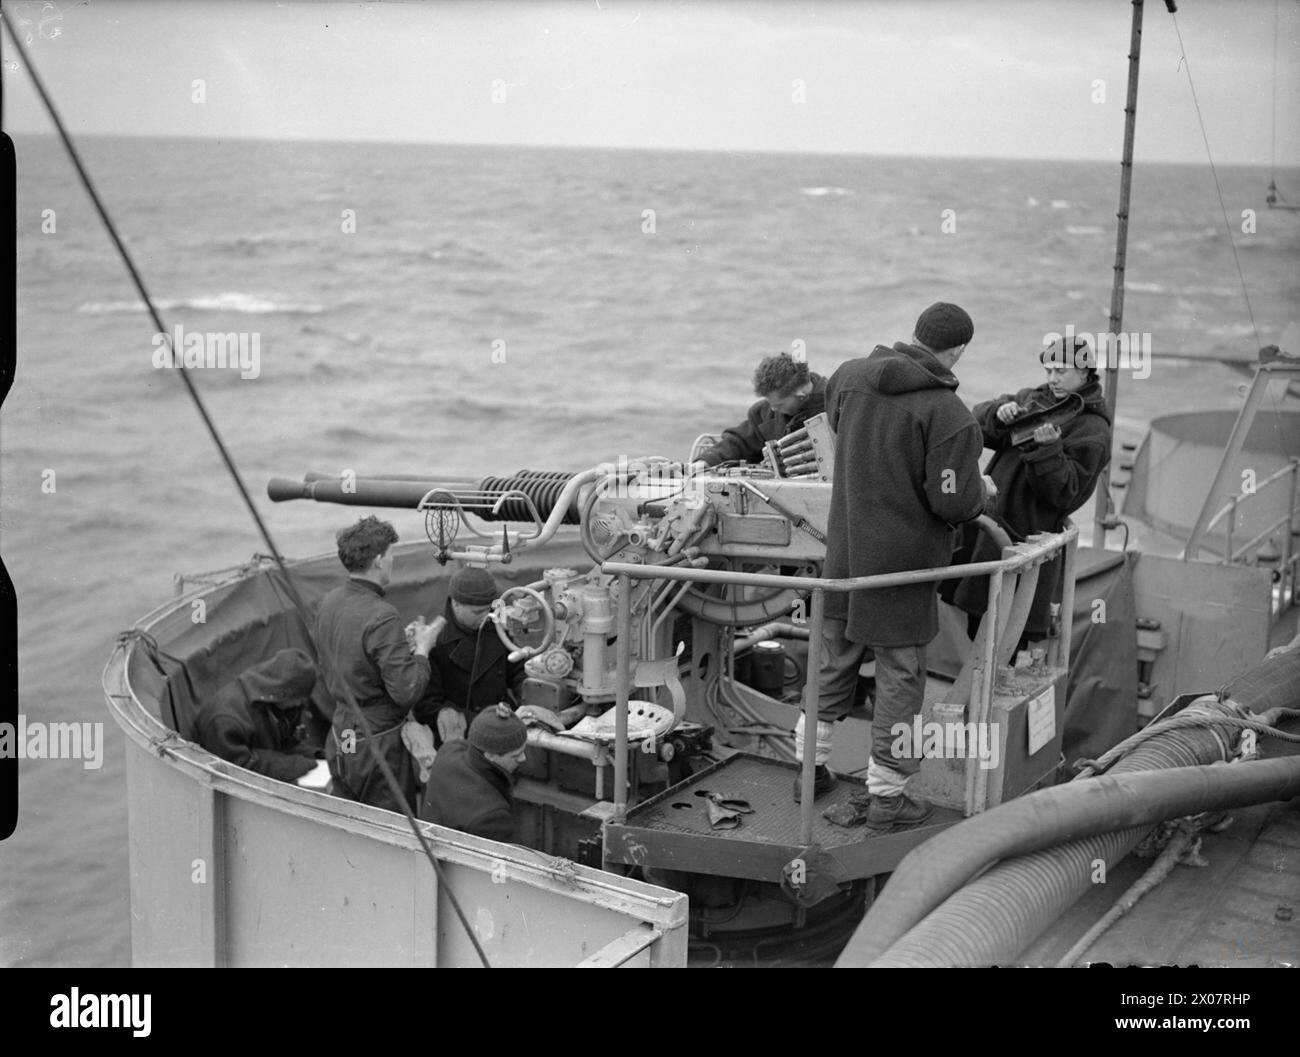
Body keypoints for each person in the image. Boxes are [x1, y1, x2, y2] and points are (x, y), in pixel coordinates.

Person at [797, 302, 993, 830]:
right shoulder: (950, 416)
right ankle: (887, 798)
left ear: (915, 333)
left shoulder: (847, 378)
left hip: (843, 555)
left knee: (833, 659)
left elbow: (841, 440)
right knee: (899, 677)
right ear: (957, 351)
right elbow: (952, 501)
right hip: (902, 569)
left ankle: (808, 771)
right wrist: (979, 490)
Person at [948, 333, 1113, 644]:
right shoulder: (1032, 399)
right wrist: (998, 413)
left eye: (1061, 371)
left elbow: (1066, 494)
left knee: (1012, 632)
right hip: (993, 528)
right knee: (978, 622)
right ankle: (984, 684)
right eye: (1048, 370)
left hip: (1029, 540)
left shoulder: (1094, 430)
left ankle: (992, 686)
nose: (1052, 378)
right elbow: (976, 428)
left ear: (1086, 372)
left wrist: (1048, 450)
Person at [314, 515, 445, 812]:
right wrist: (422, 650)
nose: (392, 562)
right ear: (377, 561)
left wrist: (399, 644)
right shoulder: (382, 615)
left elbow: (349, 655)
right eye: (391, 556)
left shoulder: (328, 602)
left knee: (347, 817)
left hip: (341, 736)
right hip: (377, 746)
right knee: (389, 829)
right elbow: (407, 691)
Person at [416, 566, 525, 746]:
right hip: (460, 740)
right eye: (477, 612)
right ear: (455, 604)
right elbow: (427, 707)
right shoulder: (434, 643)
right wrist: (480, 723)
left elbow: (519, 671)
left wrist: (526, 705)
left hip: (505, 729)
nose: (485, 617)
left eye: (488, 609)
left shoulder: (498, 630)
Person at [195, 648, 322, 782]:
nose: (299, 703)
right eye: (298, 698)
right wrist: (298, 764)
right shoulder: (226, 717)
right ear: (283, 693)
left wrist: (315, 755)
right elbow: (237, 767)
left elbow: (285, 746)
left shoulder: (275, 703)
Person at [693, 352, 827, 468]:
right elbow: (739, 442)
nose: (774, 409)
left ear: (801, 393)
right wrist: (705, 461)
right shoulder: (763, 413)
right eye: (770, 403)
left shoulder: (835, 406)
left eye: (780, 405)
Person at [418, 702, 528, 842]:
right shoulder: (491, 818)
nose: (523, 758)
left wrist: (504, 729)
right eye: (516, 755)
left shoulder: (448, 752)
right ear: (490, 755)